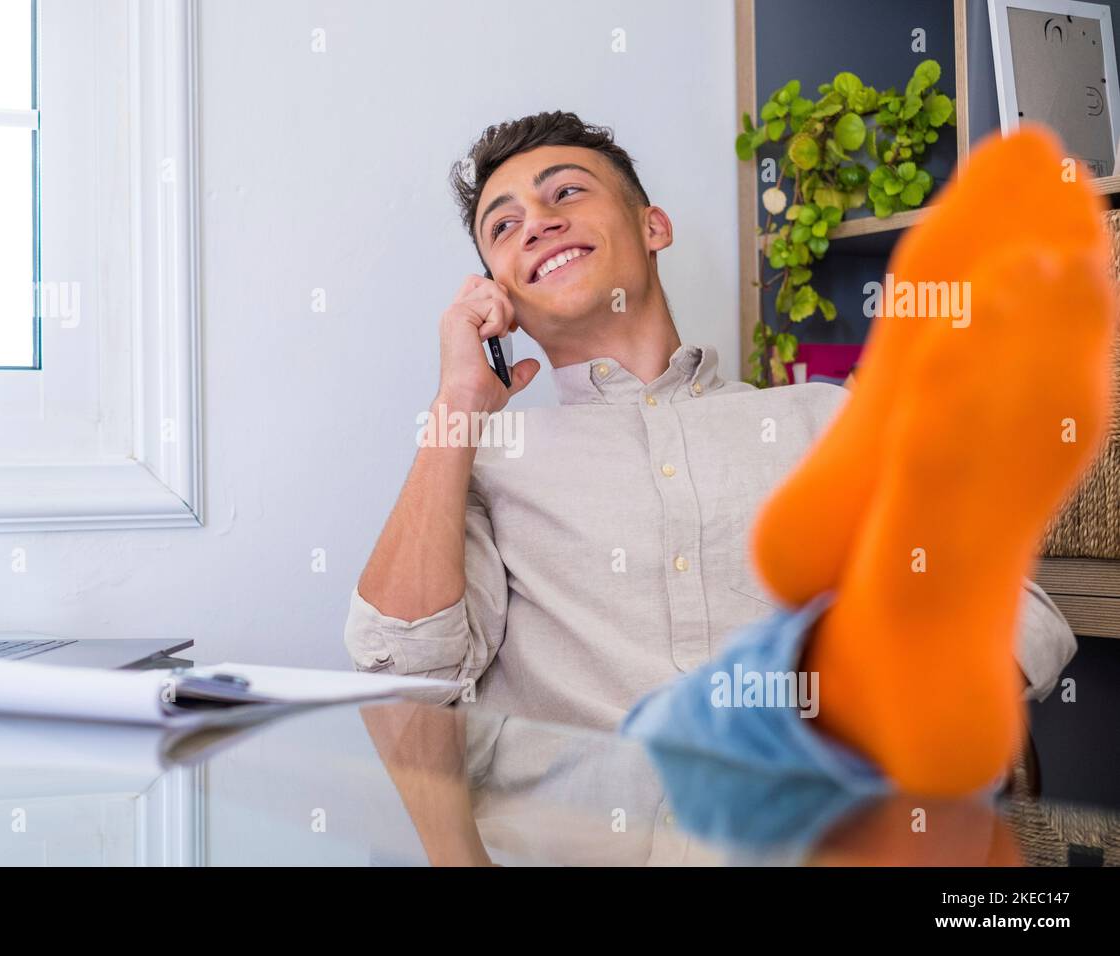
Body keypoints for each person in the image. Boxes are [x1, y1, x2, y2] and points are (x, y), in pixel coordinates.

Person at [344, 112, 1081, 790]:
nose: (536, 224)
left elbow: (1017, 613)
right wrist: (457, 407)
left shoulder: (826, 417)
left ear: (653, 225)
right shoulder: (484, 460)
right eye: (503, 227)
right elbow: (403, 668)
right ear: (498, 294)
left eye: (565, 191)